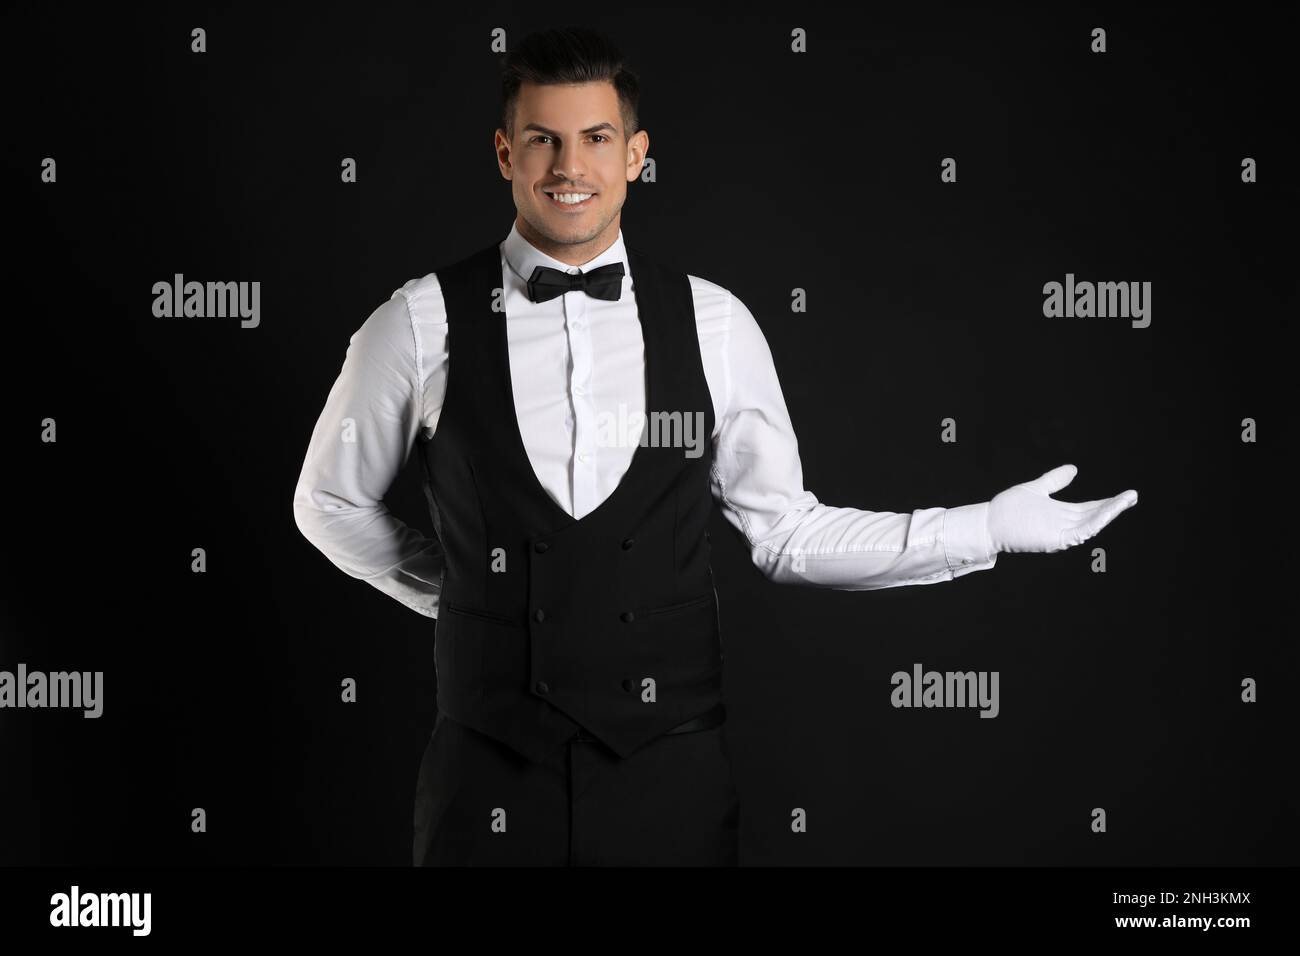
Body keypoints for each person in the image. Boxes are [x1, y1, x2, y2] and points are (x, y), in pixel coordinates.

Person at [291, 26, 1139, 867]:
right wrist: (467, 596)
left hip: (671, 778)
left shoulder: (715, 323)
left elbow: (787, 535)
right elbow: (327, 503)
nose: (569, 168)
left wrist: (984, 527)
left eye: (595, 139)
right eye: (543, 141)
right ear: (506, 154)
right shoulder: (417, 322)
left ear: (636, 154)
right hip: (486, 778)